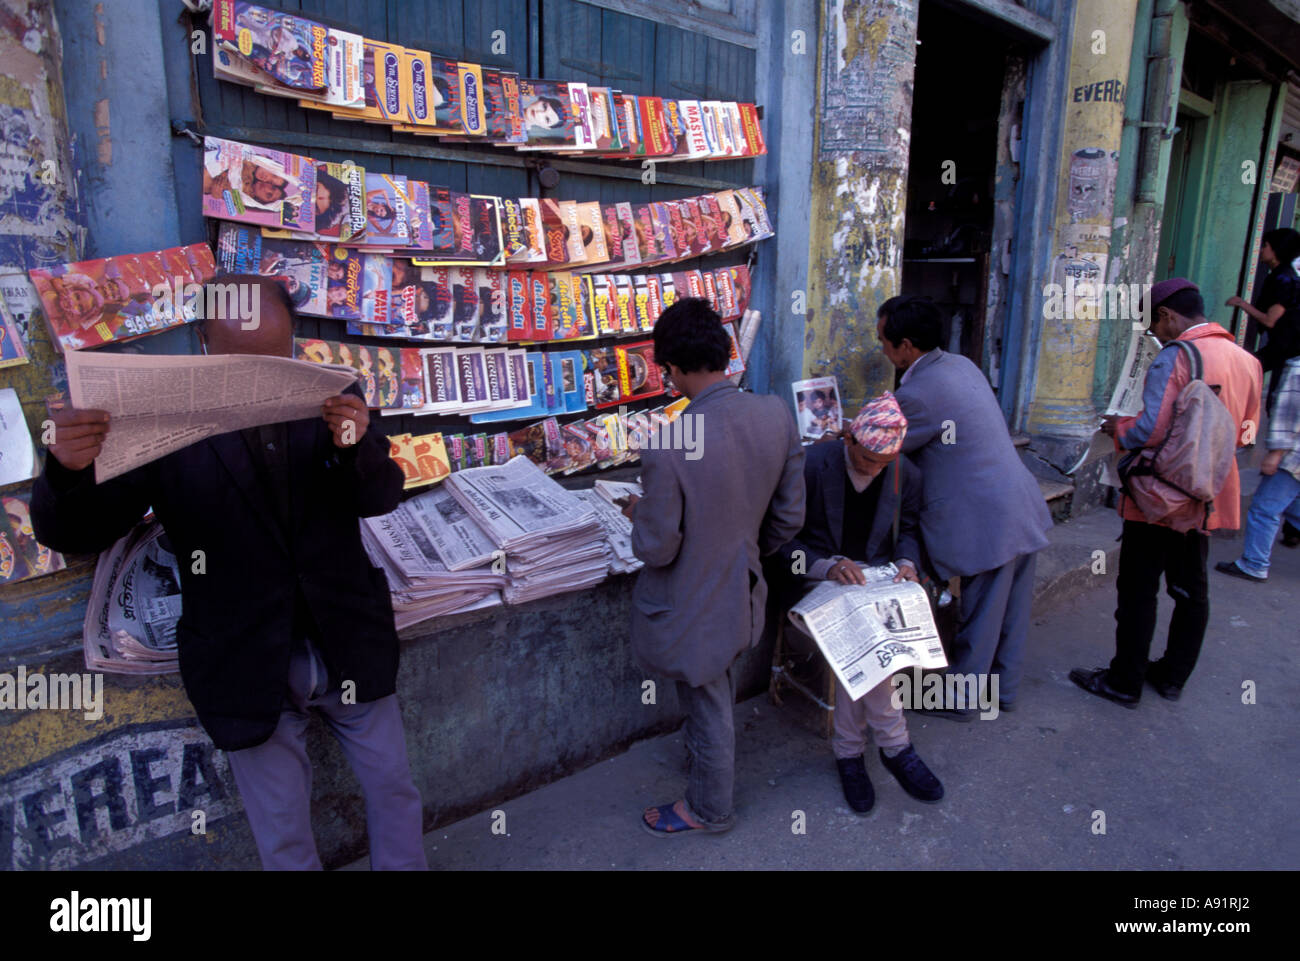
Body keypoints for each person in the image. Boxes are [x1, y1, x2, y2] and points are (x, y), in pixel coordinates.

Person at [31, 276, 428, 870]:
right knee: (283, 834)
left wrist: (354, 446)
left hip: (347, 635)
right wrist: (67, 472)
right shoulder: (162, 418)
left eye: (276, 358)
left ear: (295, 344)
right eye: (241, 360)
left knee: (395, 791)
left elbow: (379, 496)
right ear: (203, 343)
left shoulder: (330, 393)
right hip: (243, 657)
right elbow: (78, 533)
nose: (261, 376)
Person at [624, 297, 804, 837]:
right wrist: (744, 545)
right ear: (725, 354)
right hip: (744, 587)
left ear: (673, 368)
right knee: (715, 693)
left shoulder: (674, 440)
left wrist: (638, 513)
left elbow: (657, 548)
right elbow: (788, 517)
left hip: (693, 600)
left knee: (707, 703)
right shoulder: (774, 414)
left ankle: (709, 808)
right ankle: (707, 772)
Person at [1071, 278, 1262, 707]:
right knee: (1191, 589)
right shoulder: (1247, 360)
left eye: (1154, 326)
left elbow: (1149, 429)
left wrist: (1117, 427)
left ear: (1167, 315)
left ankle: (1124, 681)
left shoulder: (1178, 356)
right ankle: (1173, 677)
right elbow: (1246, 433)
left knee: (1139, 588)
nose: (1155, 336)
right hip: (1209, 491)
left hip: (1162, 494)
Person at [877, 295, 1051, 718]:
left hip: (986, 517)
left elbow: (879, 445)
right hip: (1019, 504)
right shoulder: (961, 366)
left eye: (883, 340)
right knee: (1010, 610)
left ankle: (964, 700)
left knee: (984, 612)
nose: (880, 348)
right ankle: (1003, 691)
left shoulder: (918, 393)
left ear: (906, 345)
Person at [772, 392, 944, 813]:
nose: (873, 470)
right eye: (866, 459)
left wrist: (905, 561)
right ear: (849, 438)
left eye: (883, 464)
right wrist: (826, 566)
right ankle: (894, 745)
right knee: (863, 633)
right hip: (815, 579)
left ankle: (850, 752)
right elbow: (778, 541)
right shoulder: (812, 465)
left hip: (874, 579)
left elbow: (908, 530)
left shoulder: (903, 472)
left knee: (874, 629)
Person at [1216, 353, 1300, 582]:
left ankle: (1255, 564)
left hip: (1294, 456)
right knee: (1291, 507)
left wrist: (1276, 452)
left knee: (1265, 509)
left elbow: (1288, 414)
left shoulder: (1297, 368)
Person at [1226, 227, 1300, 413]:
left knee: (1272, 397)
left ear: (1276, 250)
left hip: (1288, 348)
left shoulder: (1284, 279)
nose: (1261, 250)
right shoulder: (1279, 275)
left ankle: (1245, 426)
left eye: (1265, 246)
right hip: (1283, 345)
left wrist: (1241, 304)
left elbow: (1270, 320)